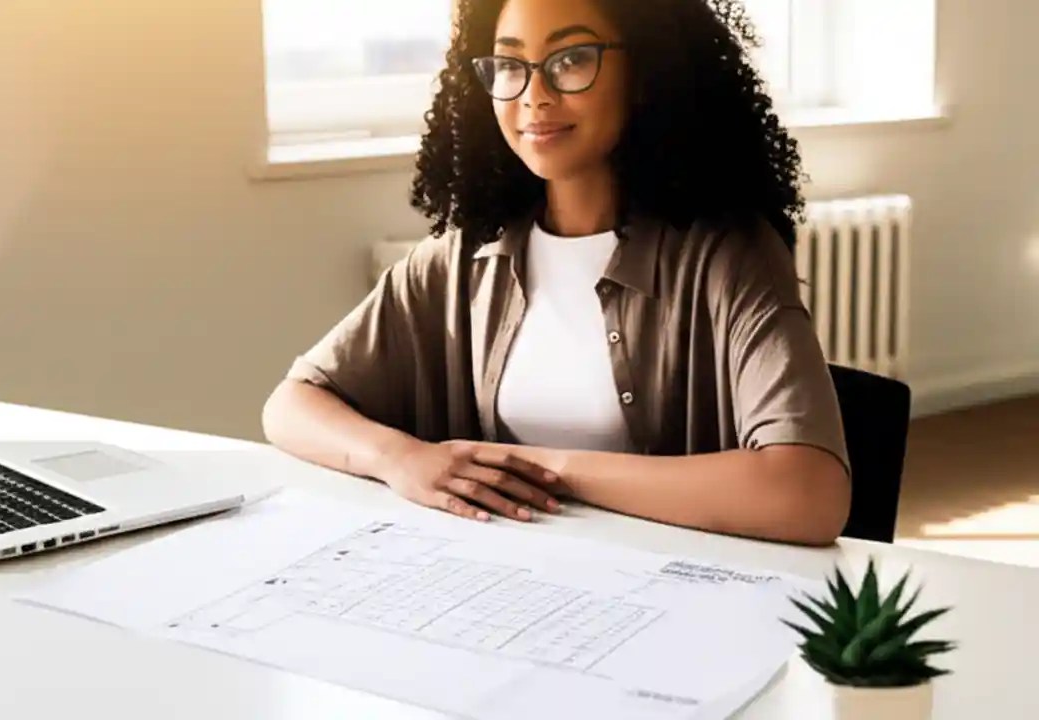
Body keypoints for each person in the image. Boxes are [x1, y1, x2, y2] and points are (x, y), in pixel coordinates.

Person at [262, 0, 851, 546]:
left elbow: (809, 493)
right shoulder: (464, 255)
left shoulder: (728, 255)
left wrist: (551, 471)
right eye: (510, 65)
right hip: (517, 588)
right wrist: (400, 458)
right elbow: (291, 405)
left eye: (571, 60)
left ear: (645, 71)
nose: (533, 96)